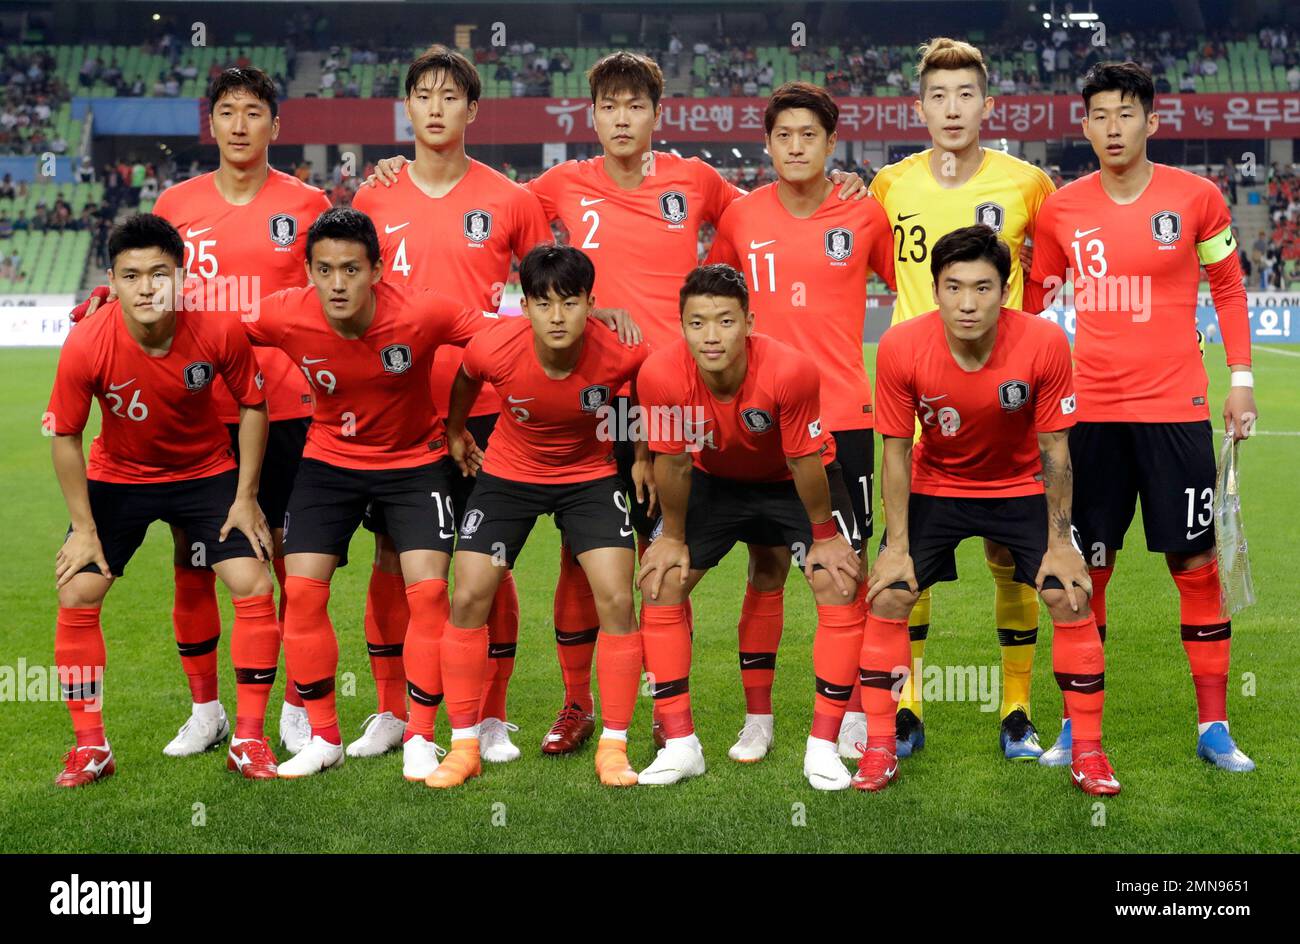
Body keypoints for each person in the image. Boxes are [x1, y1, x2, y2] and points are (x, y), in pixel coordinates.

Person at [367, 51, 871, 756]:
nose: (623, 118)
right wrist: (395, 170)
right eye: (610, 106)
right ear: (594, 115)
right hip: (598, 395)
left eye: (637, 106)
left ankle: (685, 718)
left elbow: (769, 214)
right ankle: (584, 708)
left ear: (657, 116)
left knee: (675, 559)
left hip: (687, 398)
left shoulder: (696, 183)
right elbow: (477, 199)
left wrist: (835, 181)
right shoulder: (555, 186)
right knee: (592, 553)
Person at [72, 67, 331, 759]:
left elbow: (341, 288)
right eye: (227, 111)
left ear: (277, 125)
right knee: (194, 566)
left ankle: (299, 706)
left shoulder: (309, 204)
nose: (241, 124)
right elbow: (148, 275)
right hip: (194, 411)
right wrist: (111, 295)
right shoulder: (177, 201)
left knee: (290, 560)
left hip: (284, 408)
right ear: (210, 124)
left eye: (254, 112)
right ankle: (208, 710)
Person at [1025, 61, 1256, 773]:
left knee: (1194, 564)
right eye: (1100, 115)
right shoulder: (1061, 209)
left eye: (1127, 113)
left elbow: (1228, 286)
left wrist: (1239, 379)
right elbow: (1034, 305)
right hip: (1090, 415)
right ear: (1085, 125)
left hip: (1175, 411)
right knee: (1087, 571)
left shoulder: (1198, 198)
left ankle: (1213, 728)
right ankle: (1074, 728)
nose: (1113, 127)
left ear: (1151, 122)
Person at [350, 45, 555, 765]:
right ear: (406, 107)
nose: (435, 108)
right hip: (392, 408)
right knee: (389, 555)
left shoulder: (511, 199)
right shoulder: (371, 198)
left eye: (450, 96)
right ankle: (389, 709)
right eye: (423, 95)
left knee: (485, 560)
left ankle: (491, 716)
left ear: (472, 110)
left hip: (486, 410)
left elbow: (545, 299)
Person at [238, 207, 495, 779]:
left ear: (377, 270)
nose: (337, 283)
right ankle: (323, 737)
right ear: (307, 271)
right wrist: (123, 301)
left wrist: (457, 425)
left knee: (428, 595)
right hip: (329, 461)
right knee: (302, 592)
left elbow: (501, 336)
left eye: (351, 269)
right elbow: (208, 331)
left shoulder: (422, 311)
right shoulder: (285, 315)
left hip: (414, 462)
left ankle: (421, 736)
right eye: (324, 269)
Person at [865, 224, 1114, 794]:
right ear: (935, 290)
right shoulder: (902, 345)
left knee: (1071, 594)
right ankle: (881, 747)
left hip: (1018, 484)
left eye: (982, 287)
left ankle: (1090, 753)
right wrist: (897, 547)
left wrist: (1060, 542)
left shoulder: (1045, 342)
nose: (968, 302)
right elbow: (897, 453)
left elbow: (1056, 450)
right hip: (939, 483)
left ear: (1005, 290)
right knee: (888, 593)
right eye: (954, 287)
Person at [868, 37, 1058, 761]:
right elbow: (884, 267)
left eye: (965, 95)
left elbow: (1046, 266)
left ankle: (1016, 711)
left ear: (987, 103)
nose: (952, 109)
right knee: (909, 562)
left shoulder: (1028, 184)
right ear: (919, 107)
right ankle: (909, 707)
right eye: (938, 97)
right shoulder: (888, 186)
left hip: (1006, 407)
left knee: (1013, 563)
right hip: (919, 402)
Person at [45, 214, 275, 786]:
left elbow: (252, 403)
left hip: (204, 473)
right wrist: (83, 528)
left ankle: (247, 737)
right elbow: (65, 435)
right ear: (112, 281)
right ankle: (91, 746)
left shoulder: (217, 328)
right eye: (131, 276)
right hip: (121, 475)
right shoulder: (87, 343)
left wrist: (245, 498)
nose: (146, 288)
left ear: (182, 276)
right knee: (78, 591)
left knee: (254, 584)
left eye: (158, 274)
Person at [704, 81, 896, 761]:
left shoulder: (864, 213)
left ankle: (846, 715)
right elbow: (711, 316)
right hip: (756, 423)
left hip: (842, 419)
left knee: (844, 573)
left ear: (831, 145)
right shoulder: (740, 217)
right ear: (766, 144)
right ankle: (758, 720)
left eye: (808, 136)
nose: (795, 146)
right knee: (764, 570)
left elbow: (916, 291)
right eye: (783, 136)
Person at [430, 245, 651, 789]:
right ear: (523, 305)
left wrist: (644, 455)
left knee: (619, 597)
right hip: (510, 474)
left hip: (589, 476)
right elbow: (464, 379)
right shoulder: (494, 347)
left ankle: (614, 747)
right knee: (467, 595)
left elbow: (650, 390)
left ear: (590, 304)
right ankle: (463, 746)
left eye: (570, 303)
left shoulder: (622, 351)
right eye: (543, 303)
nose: (557, 317)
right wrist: (457, 432)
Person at [635, 264, 864, 789]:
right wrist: (671, 537)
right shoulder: (660, 373)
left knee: (837, 581)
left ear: (749, 322)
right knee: (662, 581)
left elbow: (805, 460)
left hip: (794, 478)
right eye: (697, 323)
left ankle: (823, 747)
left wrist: (824, 536)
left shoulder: (791, 370)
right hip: (718, 481)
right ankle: (683, 743)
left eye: (724, 321)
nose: (711, 336)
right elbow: (671, 462)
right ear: (682, 325)